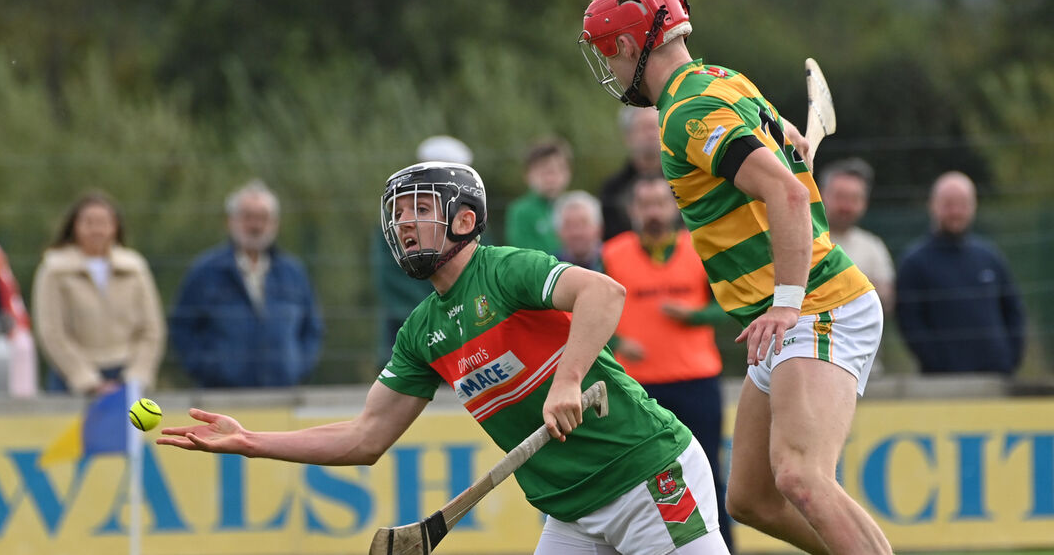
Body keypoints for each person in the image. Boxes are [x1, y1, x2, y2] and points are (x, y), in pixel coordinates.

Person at [159, 161, 731, 555]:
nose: (402, 223)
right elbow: (365, 438)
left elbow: (603, 293)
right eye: (396, 214)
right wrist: (252, 442)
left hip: (644, 473)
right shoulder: (421, 332)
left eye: (417, 208)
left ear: (463, 218)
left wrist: (568, 380)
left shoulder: (506, 270)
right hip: (570, 508)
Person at [579, 0, 891, 554]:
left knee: (801, 476)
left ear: (626, 46)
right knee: (750, 497)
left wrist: (787, 303)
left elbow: (791, 195)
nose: (612, 72)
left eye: (607, 55)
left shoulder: (685, 113)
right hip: (785, 318)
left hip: (814, 307)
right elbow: (792, 144)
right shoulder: (721, 80)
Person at [603, 175, 735, 552]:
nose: (653, 213)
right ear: (632, 211)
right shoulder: (612, 254)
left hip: (696, 381)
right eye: (644, 205)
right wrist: (616, 340)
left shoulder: (700, 248)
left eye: (660, 204)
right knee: (631, 483)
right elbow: (583, 309)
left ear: (675, 209)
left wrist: (695, 316)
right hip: (636, 388)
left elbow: (732, 303)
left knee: (707, 475)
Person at [170, 180, 324, 388]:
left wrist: (297, 367)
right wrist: (208, 369)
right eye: (247, 217)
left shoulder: (293, 273)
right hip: (221, 397)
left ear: (275, 223)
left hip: (284, 395)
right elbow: (182, 328)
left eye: (263, 217)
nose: (255, 225)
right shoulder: (205, 272)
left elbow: (312, 328)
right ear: (230, 221)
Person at [32, 191, 166, 395]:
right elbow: (51, 332)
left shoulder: (135, 268)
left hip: (127, 376)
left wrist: (136, 377)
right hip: (70, 379)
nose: (97, 230)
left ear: (115, 226)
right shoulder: (54, 270)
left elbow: (152, 329)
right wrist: (88, 381)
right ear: (74, 226)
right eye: (89, 222)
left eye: (104, 222)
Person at [895, 171, 1026, 375]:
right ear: (932, 206)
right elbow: (910, 323)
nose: (956, 211)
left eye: (963, 204)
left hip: (997, 376)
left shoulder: (990, 257)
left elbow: (1013, 310)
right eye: (948, 204)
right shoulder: (914, 263)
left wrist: (1010, 359)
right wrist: (938, 364)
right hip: (943, 383)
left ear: (974, 206)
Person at [371, 135, 474, 368]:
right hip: (407, 326)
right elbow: (388, 280)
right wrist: (436, 313)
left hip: (463, 335)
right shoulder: (396, 224)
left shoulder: (471, 222)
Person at [819, 158, 896, 312]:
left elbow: (887, 299)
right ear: (821, 195)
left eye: (854, 199)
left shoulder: (873, 246)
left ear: (864, 203)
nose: (846, 206)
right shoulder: (802, 240)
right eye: (840, 197)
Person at [600, 106, 664, 240]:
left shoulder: (686, 180)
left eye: (655, 126)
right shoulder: (612, 190)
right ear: (627, 137)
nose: (650, 134)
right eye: (643, 128)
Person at [505, 138, 572, 253]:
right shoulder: (521, 211)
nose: (551, 178)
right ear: (527, 175)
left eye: (557, 169)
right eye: (543, 171)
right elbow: (525, 256)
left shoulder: (576, 207)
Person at [552, 190, 604, 272]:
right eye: (568, 225)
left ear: (598, 228)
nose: (576, 233)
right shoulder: (550, 270)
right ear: (558, 232)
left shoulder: (614, 263)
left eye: (583, 224)